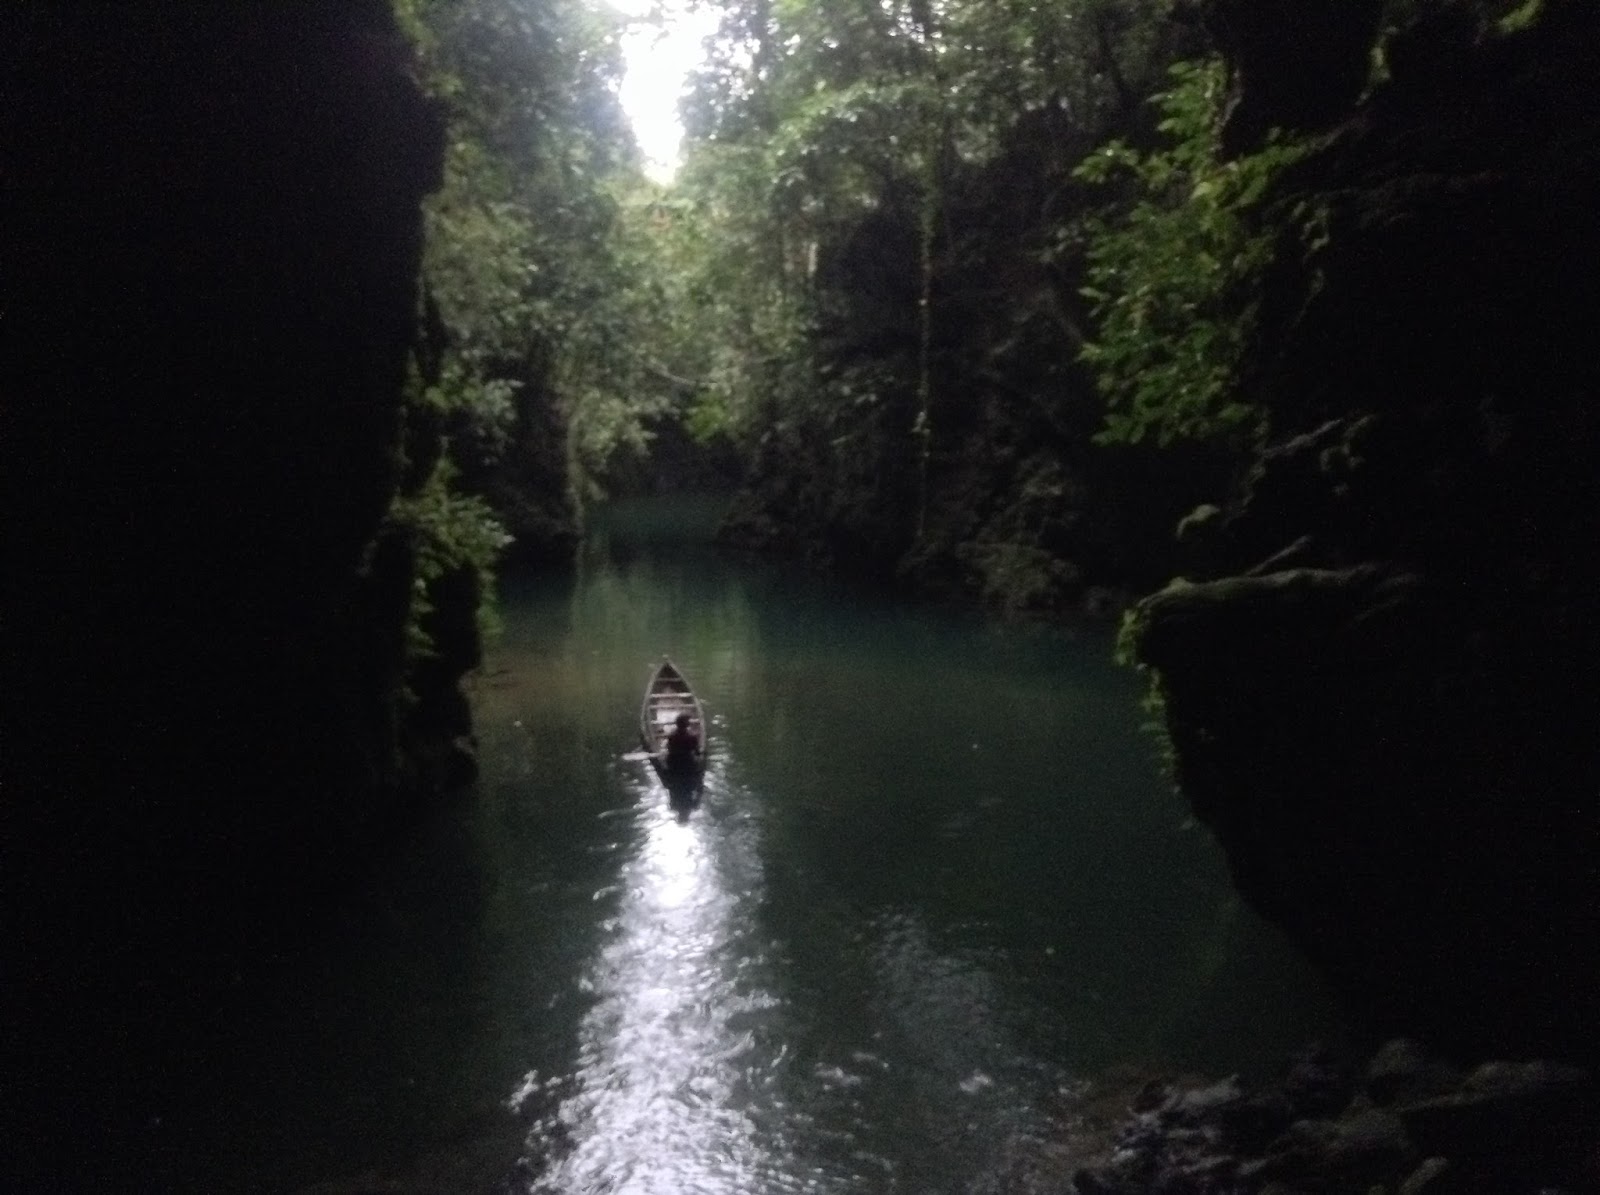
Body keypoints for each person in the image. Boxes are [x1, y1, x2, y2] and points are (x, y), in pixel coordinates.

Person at [663, 711, 701, 776]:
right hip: (687, 763)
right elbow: (697, 752)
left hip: (673, 762)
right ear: (687, 724)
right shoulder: (692, 737)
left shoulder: (671, 735)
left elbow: (669, 748)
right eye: (688, 721)